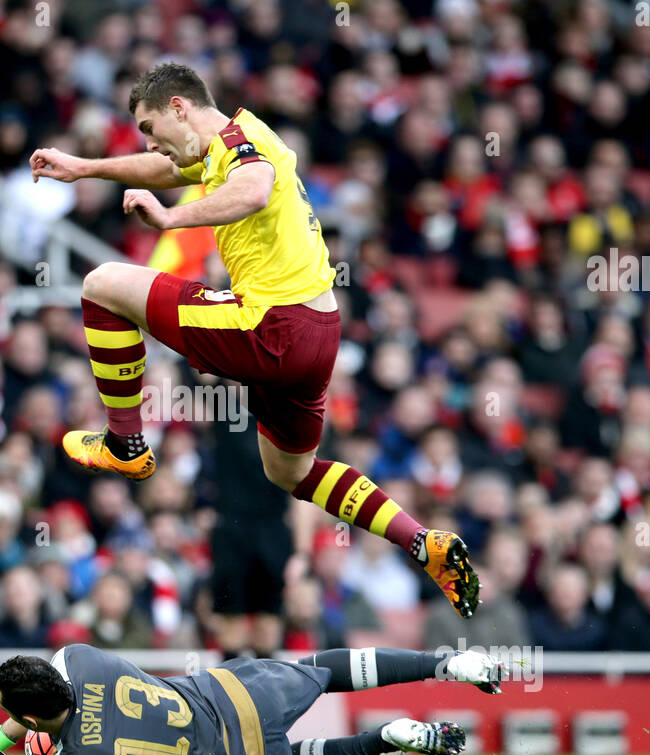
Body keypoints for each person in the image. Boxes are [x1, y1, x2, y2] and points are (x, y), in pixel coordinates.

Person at [29, 62, 480, 618]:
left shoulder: (241, 146)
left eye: (150, 126)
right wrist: (86, 168)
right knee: (289, 471)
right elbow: (170, 168)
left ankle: (125, 443)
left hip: (272, 326)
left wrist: (172, 221)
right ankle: (422, 543)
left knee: (101, 286)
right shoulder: (226, 141)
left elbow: (254, 188)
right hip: (318, 336)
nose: (149, 141)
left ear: (179, 108)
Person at [0, 644, 505, 755]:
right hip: (232, 693)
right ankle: (447, 662)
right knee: (323, 669)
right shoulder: (76, 657)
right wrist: (2, 734)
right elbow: (45, 695)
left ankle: (382, 739)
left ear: (32, 718)